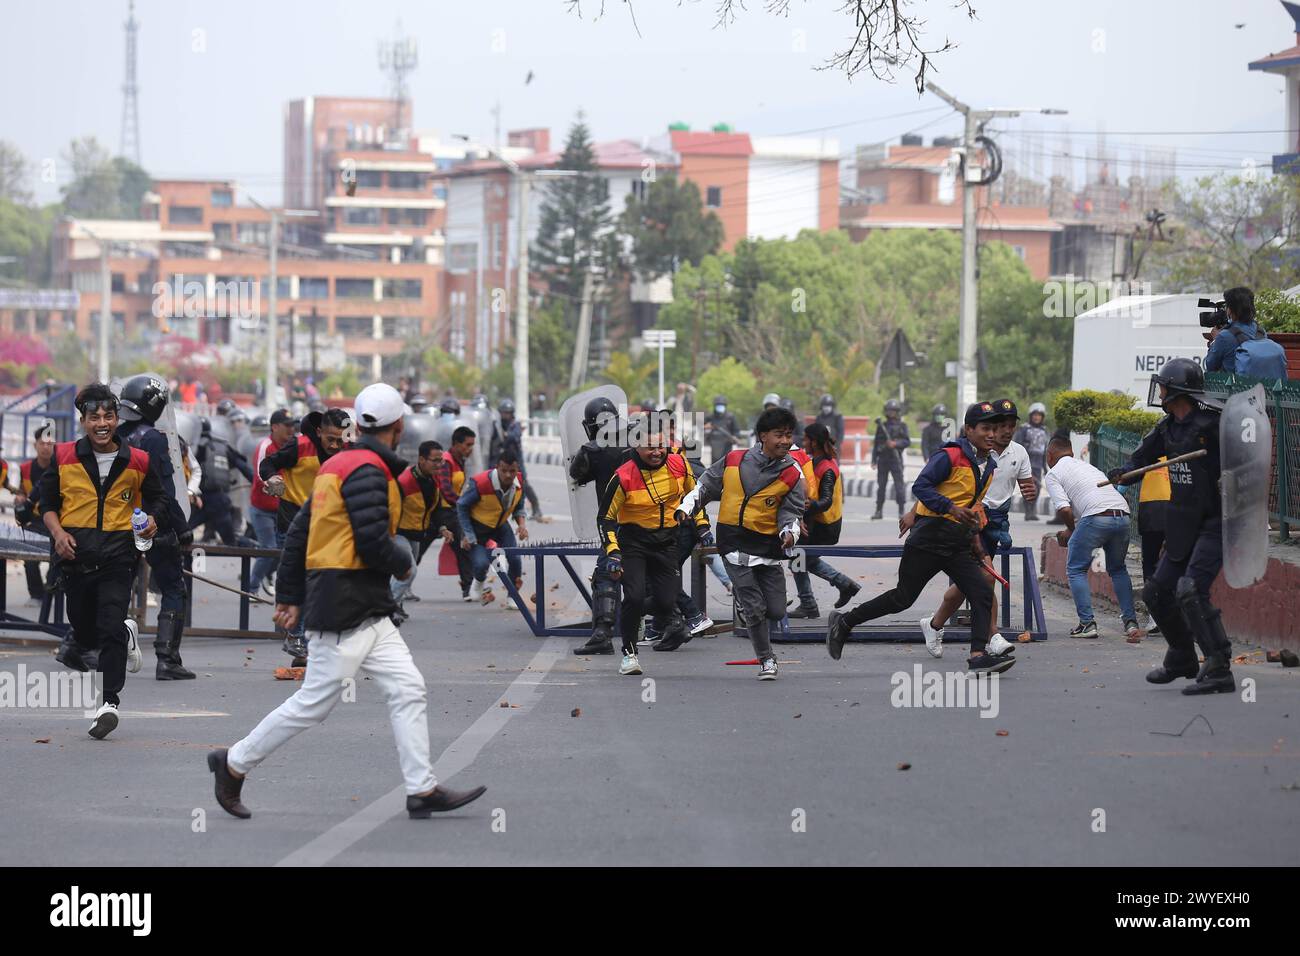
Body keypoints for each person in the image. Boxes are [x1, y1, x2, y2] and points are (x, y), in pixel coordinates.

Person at [207, 383, 487, 820]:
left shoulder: (340, 466)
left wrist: (290, 594)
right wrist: (404, 563)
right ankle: (233, 763)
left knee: (407, 687)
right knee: (314, 703)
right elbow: (372, 540)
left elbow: (301, 528)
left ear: (359, 425)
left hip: (367, 606)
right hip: (343, 600)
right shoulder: (368, 471)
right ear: (398, 427)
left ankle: (421, 788)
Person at [826, 402, 1014, 674]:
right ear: (969, 429)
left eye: (994, 429)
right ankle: (844, 622)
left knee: (982, 592)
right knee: (902, 598)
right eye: (985, 428)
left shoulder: (989, 466)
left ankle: (977, 657)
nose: (991, 434)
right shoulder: (950, 455)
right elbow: (921, 486)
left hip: (957, 543)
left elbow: (973, 507)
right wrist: (949, 508)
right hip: (929, 538)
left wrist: (976, 543)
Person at [41, 383, 167, 738]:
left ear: (116, 419)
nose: (101, 422)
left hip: (117, 557)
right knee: (83, 632)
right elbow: (47, 504)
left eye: (108, 416)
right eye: (94, 417)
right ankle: (126, 632)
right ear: (82, 421)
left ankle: (109, 702)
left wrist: (153, 519)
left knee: (109, 624)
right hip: (74, 559)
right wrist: (59, 534)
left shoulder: (137, 461)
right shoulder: (63, 456)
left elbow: (159, 501)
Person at [1108, 358, 1234, 695]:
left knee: (1190, 589)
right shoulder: (1167, 429)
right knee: (1155, 592)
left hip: (1213, 522)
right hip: (1182, 525)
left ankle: (1219, 664)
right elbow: (1140, 459)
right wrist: (1123, 472)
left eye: (1163, 385)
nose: (1159, 391)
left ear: (1176, 389)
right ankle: (1182, 656)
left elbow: (1244, 461)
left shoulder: (1213, 426)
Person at [676, 405, 807, 681]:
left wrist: (789, 533)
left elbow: (792, 512)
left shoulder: (794, 473)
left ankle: (748, 604)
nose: (785, 441)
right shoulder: (734, 459)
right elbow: (705, 486)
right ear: (762, 435)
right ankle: (767, 659)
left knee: (776, 610)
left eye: (789, 435)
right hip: (734, 543)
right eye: (778, 435)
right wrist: (686, 508)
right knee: (756, 608)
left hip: (769, 547)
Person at [912, 398, 1035, 658]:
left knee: (969, 583)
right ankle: (992, 637)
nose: (1005, 430)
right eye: (999, 425)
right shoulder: (974, 453)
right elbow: (941, 486)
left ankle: (934, 624)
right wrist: (914, 511)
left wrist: (1031, 492)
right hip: (969, 519)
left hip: (996, 522)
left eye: (1011, 425)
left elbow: (1027, 488)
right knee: (986, 578)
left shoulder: (1019, 453)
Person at [598, 423, 702, 675]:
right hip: (634, 543)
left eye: (660, 446)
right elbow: (605, 518)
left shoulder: (679, 465)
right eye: (649, 447)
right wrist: (613, 551)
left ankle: (627, 613)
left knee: (667, 602)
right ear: (636, 446)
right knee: (634, 597)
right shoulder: (623, 476)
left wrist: (703, 527)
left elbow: (695, 497)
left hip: (667, 542)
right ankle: (629, 654)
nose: (656, 452)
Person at [117, 374, 198, 680]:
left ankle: (90, 648)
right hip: (155, 525)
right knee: (174, 588)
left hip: (119, 524)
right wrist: (183, 527)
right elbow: (164, 489)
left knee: (117, 589)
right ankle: (167, 659)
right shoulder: (153, 439)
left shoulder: (115, 435)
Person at [260, 407, 349, 664]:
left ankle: (307, 647)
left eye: (340, 439)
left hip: (326, 526)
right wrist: (273, 478)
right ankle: (296, 638)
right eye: (330, 438)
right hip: (292, 521)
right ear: (319, 431)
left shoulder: (348, 453)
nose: (334, 445)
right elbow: (268, 464)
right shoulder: (299, 446)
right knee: (296, 577)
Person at [1045, 437, 1141, 639]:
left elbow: (1064, 509)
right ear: (1071, 453)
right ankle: (1131, 622)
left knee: (1075, 568)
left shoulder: (1053, 473)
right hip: (1122, 515)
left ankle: (1087, 623)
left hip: (1097, 517)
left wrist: (1071, 530)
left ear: (1049, 456)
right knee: (1117, 568)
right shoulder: (1088, 467)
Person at [569, 397, 632, 656]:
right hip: (650, 518)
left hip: (614, 522)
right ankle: (673, 621)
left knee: (607, 574)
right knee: (653, 572)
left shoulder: (592, 449)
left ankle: (602, 633)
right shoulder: (639, 439)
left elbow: (576, 472)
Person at [788, 422, 860, 619]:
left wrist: (807, 506)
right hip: (816, 522)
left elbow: (826, 502)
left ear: (814, 442)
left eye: (805, 439)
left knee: (799, 558)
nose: (803, 443)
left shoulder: (827, 468)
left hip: (825, 525)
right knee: (801, 558)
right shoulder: (814, 463)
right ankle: (839, 587)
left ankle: (812, 602)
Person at [391, 440, 455, 621]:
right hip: (399, 532)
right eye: (434, 460)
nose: (439, 464)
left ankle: (396, 606)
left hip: (416, 534)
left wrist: (443, 528)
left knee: (402, 572)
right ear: (421, 460)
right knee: (409, 570)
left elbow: (435, 508)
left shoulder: (433, 480)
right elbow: (389, 506)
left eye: (440, 460)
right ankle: (385, 610)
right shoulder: (404, 481)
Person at [457, 450, 529, 604]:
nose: (508, 475)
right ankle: (478, 582)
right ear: (497, 468)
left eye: (512, 471)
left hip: (501, 526)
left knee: (515, 558)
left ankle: (513, 596)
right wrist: (468, 534)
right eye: (504, 471)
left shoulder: (520, 482)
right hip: (478, 528)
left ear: (518, 470)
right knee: (481, 564)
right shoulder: (480, 483)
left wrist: (522, 525)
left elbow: (519, 507)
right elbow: (461, 506)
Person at [248, 410, 297, 598]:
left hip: (283, 509)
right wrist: (274, 485)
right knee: (268, 548)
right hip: (262, 509)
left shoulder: (292, 446)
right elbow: (261, 474)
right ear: (275, 427)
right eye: (287, 425)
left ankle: (268, 576)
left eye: (293, 425)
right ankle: (251, 589)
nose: (291, 429)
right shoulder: (265, 446)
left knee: (285, 550)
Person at [189, 417, 255, 547]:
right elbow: (243, 466)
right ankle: (256, 547)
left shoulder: (192, 447)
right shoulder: (222, 446)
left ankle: (187, 564)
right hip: (219, 500)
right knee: (231, 541)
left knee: (182, 532)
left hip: (198, 501)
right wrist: (259, 483)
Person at [433, 425, 478, 602]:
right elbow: (445, 489)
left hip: (450, 509)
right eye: (467, 445)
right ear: (456, 444)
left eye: (472, 445)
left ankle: (469, 588)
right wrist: (462, 505)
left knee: (464, 547)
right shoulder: (446, 460)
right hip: (442, 511)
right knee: (464, 545)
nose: (470, 449)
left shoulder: (458, 460)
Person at [15, 421, 57, 604]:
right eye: (43, 443)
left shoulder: (61, 467)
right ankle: (36, 594)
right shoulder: (25, 468)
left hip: (56, 519)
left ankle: (51, 593)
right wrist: (19, 500)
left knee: (57, 558)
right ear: (35, 445)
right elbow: (21, 491)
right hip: (33, 520)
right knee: (29, 559)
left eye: (50, 444)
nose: (46, 447)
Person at [490, 398, 543, 520]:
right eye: (503, 412)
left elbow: (514, 436)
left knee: (523, 483)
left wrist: (506, 435)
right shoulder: (497, 425)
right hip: (501, 461)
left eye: (507, 413)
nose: (505, 415)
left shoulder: (515, 425)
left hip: (515, 460)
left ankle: (536, 508)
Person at [1135, 456, 1170, 638]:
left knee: (1150, 563)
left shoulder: (1149, 449)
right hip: (1175, 508)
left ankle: (1156, 615)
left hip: (1153, 509)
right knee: (1173, 561)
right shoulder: (1183, 445)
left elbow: (1130, 473)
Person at [1205, 286, 1261, 374]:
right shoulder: (1260, 331)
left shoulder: (1224, 336)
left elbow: (1210, 365)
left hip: (1233, 386)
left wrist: (1214, 341)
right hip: (1258, 385)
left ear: (1230, 310)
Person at [872, 399, 911, 520]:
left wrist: (895, 444)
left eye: (893, 411)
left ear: (897, 412)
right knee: (881, 486)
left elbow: (907, 441)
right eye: (889, 411)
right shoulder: (881, 426)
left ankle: (901, 511)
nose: (891, 413)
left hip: (896, 460)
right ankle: (878, 511)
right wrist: (874, 460)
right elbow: (876, 443)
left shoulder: (902, 426)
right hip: (883, 459)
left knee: (899, 486)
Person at [1013, 402, 1050, 520]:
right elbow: (1017, 445)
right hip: (1027, 461)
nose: (1036, 417)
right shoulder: (1024, 429)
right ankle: (1028, 511)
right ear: (1031, 416)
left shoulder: (1045, 431)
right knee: (1028, 486)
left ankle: (1032, 509)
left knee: (1037, 488)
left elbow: (1045, 449)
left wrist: (1045, 466)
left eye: (1039, 415)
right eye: (1035, 415)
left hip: (1038, 463)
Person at [703, 395, 740, 464]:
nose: (720, 407)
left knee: (727, 463)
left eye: (722, 405)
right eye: (718, 405)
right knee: (715, 465)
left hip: (727, 444)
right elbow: (700, 427)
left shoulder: (730, 417)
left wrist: (735, 437)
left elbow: (736, 430)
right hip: (714, 444)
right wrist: (705, 427)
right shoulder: (710, 417)